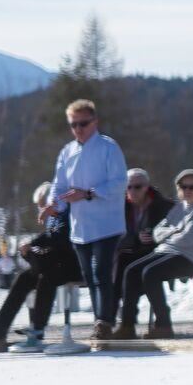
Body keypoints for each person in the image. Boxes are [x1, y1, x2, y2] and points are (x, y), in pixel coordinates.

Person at [48, 98, 129, 338]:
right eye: (74, 125)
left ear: (95, 122)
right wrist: (52, 206)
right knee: (89, 277)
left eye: (83, 123)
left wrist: (90, 194)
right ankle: (100, 320)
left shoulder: (109, 147)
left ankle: (104, 321)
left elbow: (119, 183)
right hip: (80, 226)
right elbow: (59, 184)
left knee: (101, 273)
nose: (78, 129)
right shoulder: (67, 151)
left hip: (107, 224)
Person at [0, 182, 82, 351]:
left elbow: (60, 242)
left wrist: (35, 249)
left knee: (46, 278)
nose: (40, 210)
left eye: (41, 205)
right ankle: (1, 326)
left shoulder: (66, 216)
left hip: (72, 265)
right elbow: (49, 238)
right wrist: (31, 245)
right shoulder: (55, 220)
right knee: (24, 278)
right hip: (57, 264)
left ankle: (37, 328)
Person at [120, 169, 193, 337]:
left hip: (192, 259)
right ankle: (127, 326)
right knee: (131, 271)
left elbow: (188, 240)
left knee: (150, 273)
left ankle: (163, 325)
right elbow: (157, 232)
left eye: (192, 187)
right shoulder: (180, 207)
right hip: (169, 252)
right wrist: (173, 232)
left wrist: (168, 235)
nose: (187, 190)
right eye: (183, 186)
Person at [103, 169, 174, 339]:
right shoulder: (121, 207)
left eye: (138, 187)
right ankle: (112, 322)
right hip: (132, 252)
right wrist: (136, 237)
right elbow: (116, 235)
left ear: (147, 187)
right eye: (129, 187)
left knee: (130, 270)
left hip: (157, 252)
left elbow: (172, 231)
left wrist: (154, 236)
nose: (133, 191)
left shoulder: (162, 206)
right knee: (120, 264)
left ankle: (127, 324)